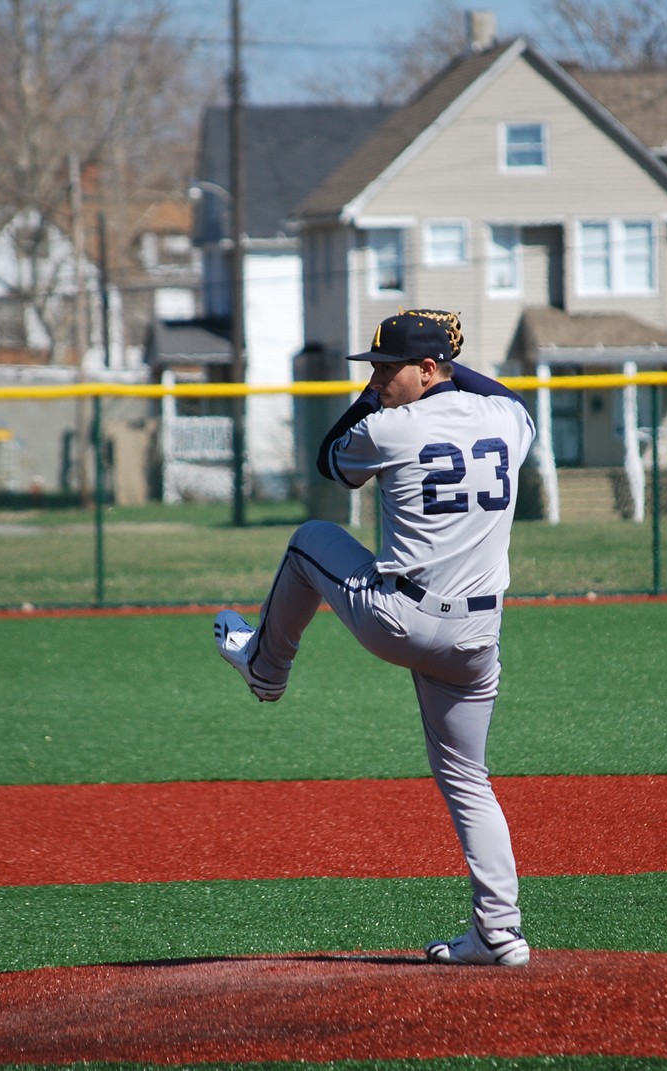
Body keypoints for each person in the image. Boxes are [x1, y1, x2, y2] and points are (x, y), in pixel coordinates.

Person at [212, 308, 536, 967]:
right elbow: (503, 399)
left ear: (426, 369)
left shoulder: (389, 428)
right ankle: (501, 930)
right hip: (478, 635)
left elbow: (334, 461)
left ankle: (265, 667)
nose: (378, 379)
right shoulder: (508, 421)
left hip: (402, 616)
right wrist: (447, 358)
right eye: (375, 369)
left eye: (389, 368)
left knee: (307, 542)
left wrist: (383, 396)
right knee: (470, 777)